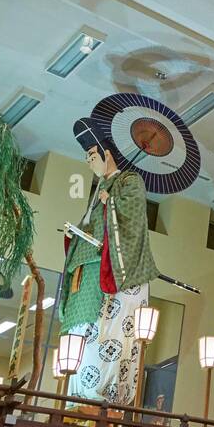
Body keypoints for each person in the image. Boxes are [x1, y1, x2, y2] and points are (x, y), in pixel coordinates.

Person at [61, 117, 161, 404]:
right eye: (87, 157)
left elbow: (132, 218)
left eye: (92, 155)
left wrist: (111, 202)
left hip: (114, 269)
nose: (89, 162)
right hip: (87, 266)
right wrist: (75, 234)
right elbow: (93, 225)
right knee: (80, 332)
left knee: (106, 332)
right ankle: (75, 394)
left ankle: (101, 395)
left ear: (107, 154)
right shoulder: (100, 189)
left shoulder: (129, 181)